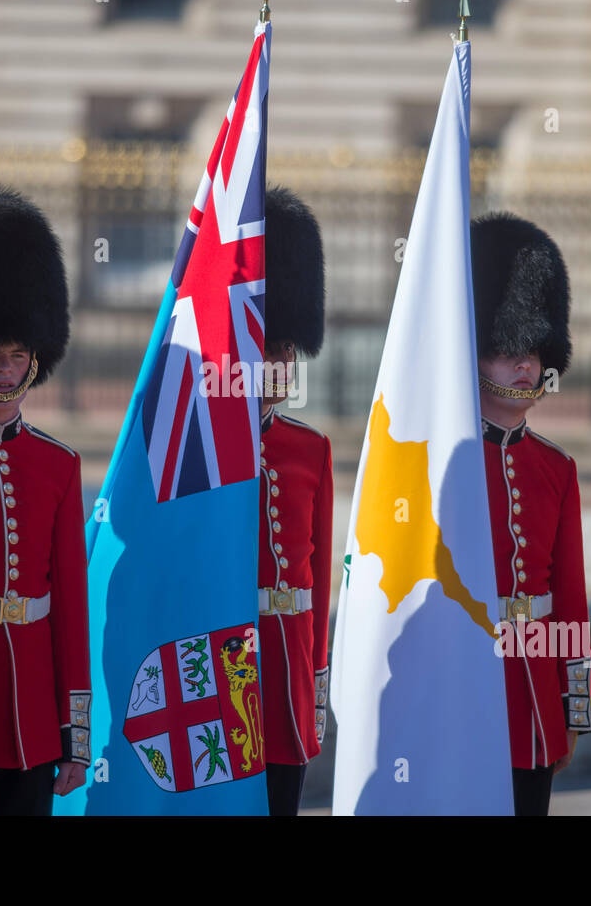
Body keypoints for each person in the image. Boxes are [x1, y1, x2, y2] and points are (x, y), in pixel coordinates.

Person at [0, 183, 91, 816]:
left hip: (33, 716)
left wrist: (74, 733)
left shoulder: (58, 464)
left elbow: (69, 610)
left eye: (17, 356)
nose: (6, 371)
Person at [471, 212, 590, 816]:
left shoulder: (555, 467)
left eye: (534, 352)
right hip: (465, 686)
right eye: (506, 351)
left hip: (535, 695)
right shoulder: (443, 463)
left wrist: (571, 706)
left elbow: (568, 598)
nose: (525, 366)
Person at [256, 187, 333, 816]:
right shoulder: (197, 449)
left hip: (291, 669)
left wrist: (316, 677)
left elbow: (317, 577)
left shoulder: (310, 449)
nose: (282, 361)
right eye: (268, 347)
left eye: (288, 350)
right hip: (230, 669)